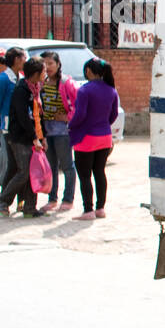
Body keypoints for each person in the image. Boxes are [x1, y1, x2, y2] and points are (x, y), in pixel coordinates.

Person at [67, 57, 119, 222]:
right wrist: (103, 125)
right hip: (105, 136)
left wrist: (71, 124)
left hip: (86, 137)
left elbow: (80, 115)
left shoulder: (85, 90)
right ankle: (100, 208)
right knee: (100, 172)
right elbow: (114, 115)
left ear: (88, 71)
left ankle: (88, 210)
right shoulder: (111, 90)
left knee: (84, 175)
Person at [0, 58, 46, 218]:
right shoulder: (21, 90)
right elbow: (23, 116)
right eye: (43, 71)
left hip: (33, 136)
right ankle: (4, 201)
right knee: (23, 172)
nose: (45, 74)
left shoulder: (37, 89)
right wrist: (34, 138)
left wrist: (42, 136)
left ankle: (30, 207)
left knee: (33, 171)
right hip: (20, 137)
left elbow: (39, 115)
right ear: (36, 73)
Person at [38, 51, 78, 212]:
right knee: (50, 167)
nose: (47, 67)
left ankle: (68, 199)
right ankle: (52, 198)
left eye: (50, 63)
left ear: (58, 64)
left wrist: (67, 117)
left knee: (67, 166)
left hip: (63, 132)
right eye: (44, 64)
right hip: (47, 132)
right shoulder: (41, 83)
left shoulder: (66, 82)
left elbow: (78, 105)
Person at [0, 47, 27, 190]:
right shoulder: (4, 78)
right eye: (24, 58)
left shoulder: (21, 77)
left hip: (22, 125)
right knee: (12, 165)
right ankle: (4, 198)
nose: (26, 60)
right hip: (9, 126)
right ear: (17, 59)